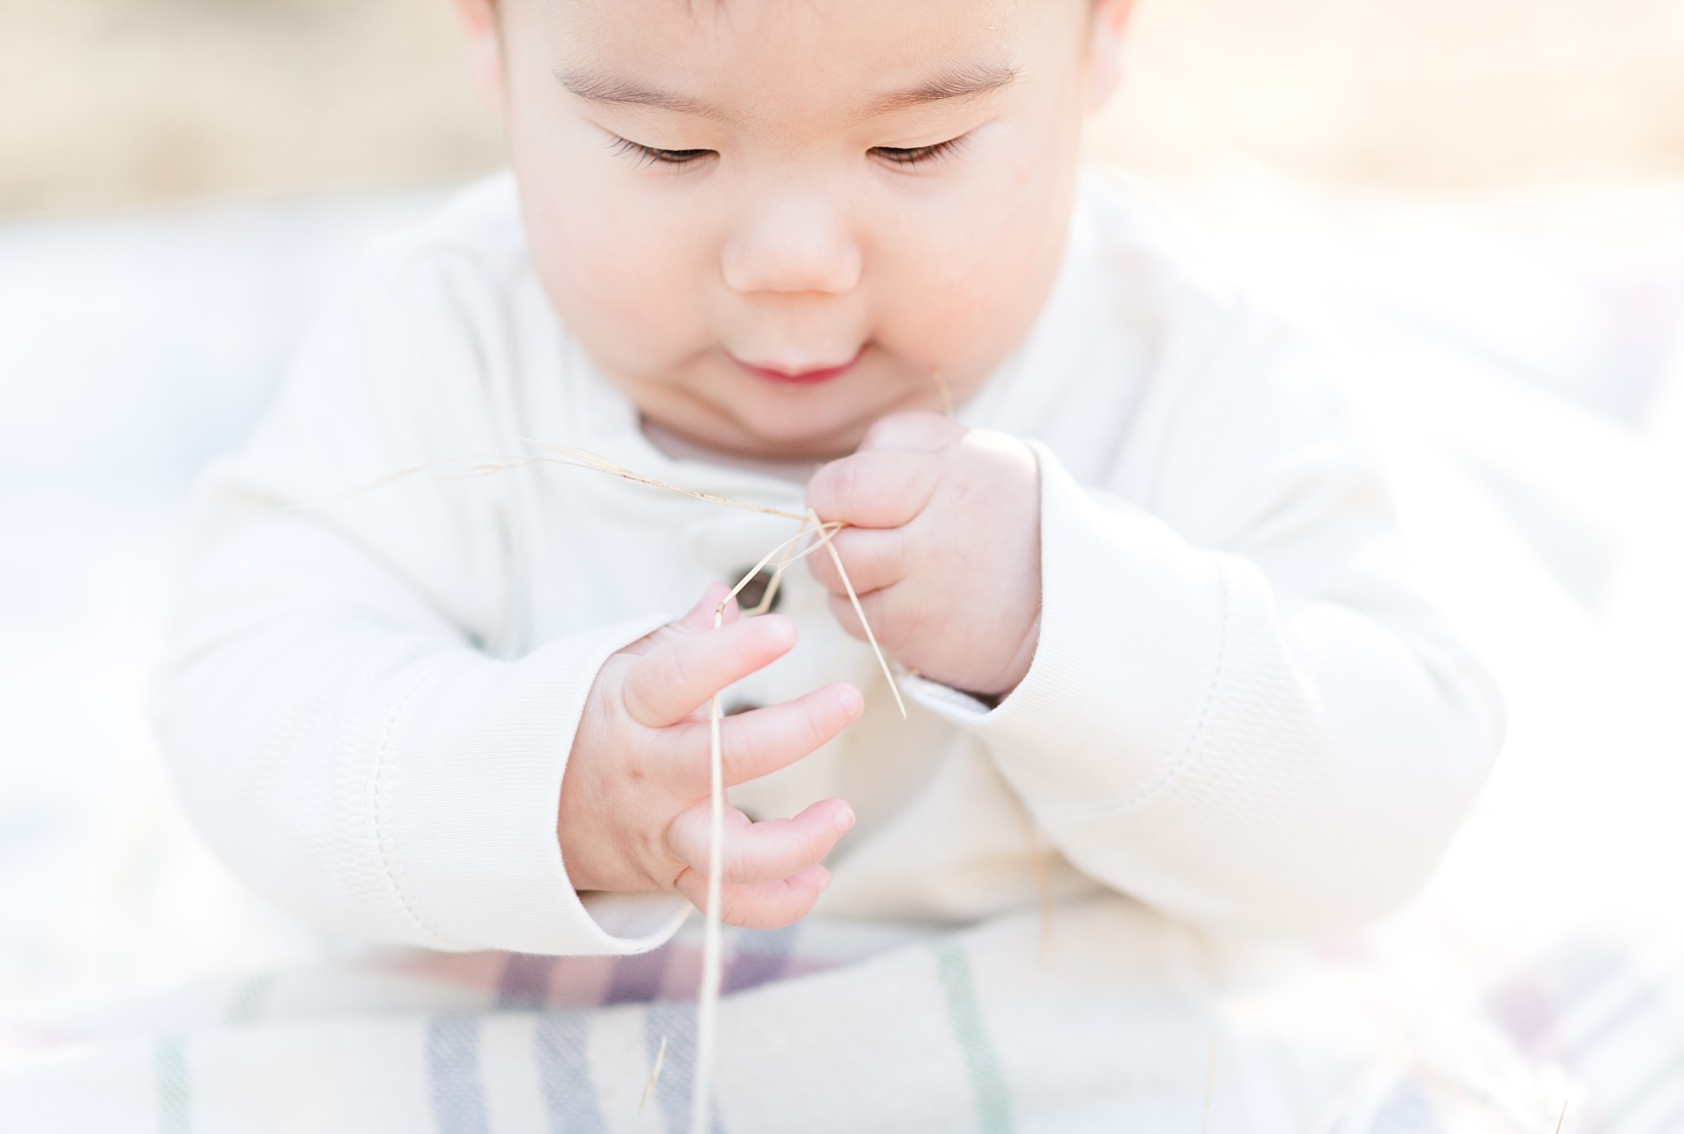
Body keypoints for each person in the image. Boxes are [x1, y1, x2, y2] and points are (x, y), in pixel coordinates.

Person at [153, 0, 1517, 1127]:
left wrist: (1068, 609)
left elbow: (1392, 787)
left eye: (916, 147)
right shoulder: (439, 349)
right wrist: (544, 780)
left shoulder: (1190, 368)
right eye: (666, 149)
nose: (793, 260)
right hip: (521, 1065)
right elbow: (244, 701)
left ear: (1101, 38)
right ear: (491, 46)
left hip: (1078, 1066)